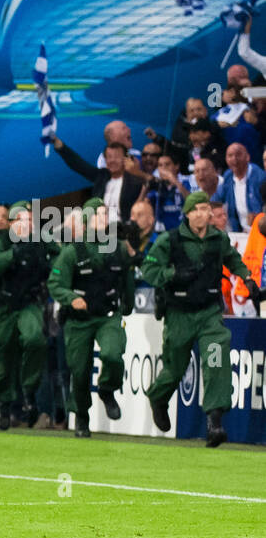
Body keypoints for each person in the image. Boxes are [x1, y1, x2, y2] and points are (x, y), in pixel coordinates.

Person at [144, 191, 262, 446]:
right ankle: (158, 396)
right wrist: (173, 274)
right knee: (175, 367)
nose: (201, 213)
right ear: (187, 213)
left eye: (205, 208)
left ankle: (215, 421)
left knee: (216, 357)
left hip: (209, 312)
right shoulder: (170, 240)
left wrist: (248, 279)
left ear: (210, 213)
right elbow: (149, 269)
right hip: (179, 313)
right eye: (196, 209)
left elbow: (234, 260)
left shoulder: (218, 239)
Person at [46, 198, 134, 438]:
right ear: (86, 221)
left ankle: (107, 389)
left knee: (113, 354)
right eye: (99, 215)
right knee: (80, 371)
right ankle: (82, 415)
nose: (105, 219)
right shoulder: (72, 251)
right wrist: (69, 297)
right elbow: (55, 282)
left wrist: (128, 305)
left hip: (108, 315)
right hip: (79, 320)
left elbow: (127, 278)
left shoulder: (117, 247)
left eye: (106, 215)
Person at [0, 200, 50, 430]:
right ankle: (3, 403)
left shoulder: (39, 243)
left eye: (30, 220)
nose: (27, 224)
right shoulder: (0, 243)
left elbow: (62, 258)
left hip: (28, 304)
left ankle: (29, 390)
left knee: (34, 339)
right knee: (3, 360)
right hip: (4, 306)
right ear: (11, 223)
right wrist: (12, 254)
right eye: (21, 220)